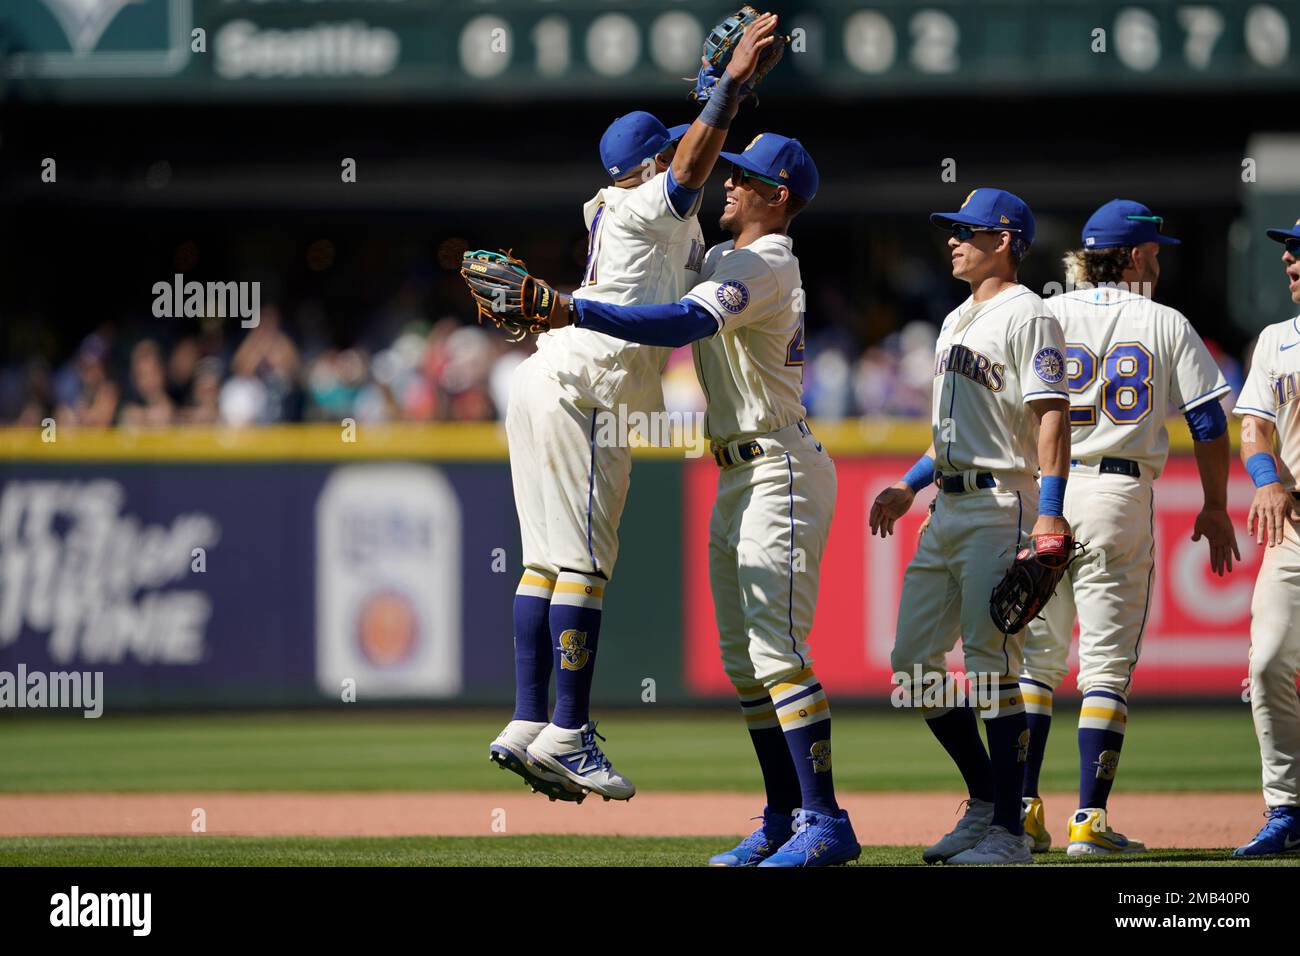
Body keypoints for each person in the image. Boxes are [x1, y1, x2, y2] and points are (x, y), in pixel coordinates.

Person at [541, 131, 860, 866]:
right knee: (743, 662)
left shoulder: (767, 263)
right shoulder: (723, 255)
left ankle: (827, 823)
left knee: (778, 652)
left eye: (744, 177)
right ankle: (782, 818)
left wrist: (572, 311)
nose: (729, 182)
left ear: (777, 198)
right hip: (737, 466)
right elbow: (653, 249)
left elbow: (684, 323)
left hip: (778, 463)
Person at [488, 13, 783, 803]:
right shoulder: (647, 207)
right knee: (583, 567)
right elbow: (687, 169)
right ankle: (570, 734)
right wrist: (727, 92)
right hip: (589, 394)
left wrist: (722, 97)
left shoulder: (613, 205)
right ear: (648, 165)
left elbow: (688, 155)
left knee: (544, 565)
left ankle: (526, 721)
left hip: (542, 381)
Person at [1018, 200, 1236, 856]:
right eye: (1156, 251)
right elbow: (1207, 422)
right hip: (1118, 492)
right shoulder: (1164, 321)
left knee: (1037, 661)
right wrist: (1216, 503)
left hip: (1047, 492)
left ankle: (1023, 810)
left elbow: (1008, 409)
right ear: (1136, 256)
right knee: (1105, 667)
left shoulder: (1045, 314)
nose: (1160, 260)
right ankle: (1089, 821)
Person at [869, 188, 1071, 865]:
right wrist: (910, 482)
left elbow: (1049, 416)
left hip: (998, 504)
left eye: (969, 230)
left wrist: (1049, 510)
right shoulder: (956, 315)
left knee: (991, 670)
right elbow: (951, 430)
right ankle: (987, 801)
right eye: (952, 230)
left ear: (1007, 239)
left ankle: (1011, 835)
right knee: (913, 666)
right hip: (946, 504)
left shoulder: (1029, 313)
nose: (953, 239)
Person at [1230, 216, 1300, 858]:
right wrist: (1265, 479)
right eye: (1288, 251)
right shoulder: (1277, 339)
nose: (1290, 260)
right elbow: (1254, 424)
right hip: (1296, 526)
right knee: (1268, 660)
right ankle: (1287, 807)